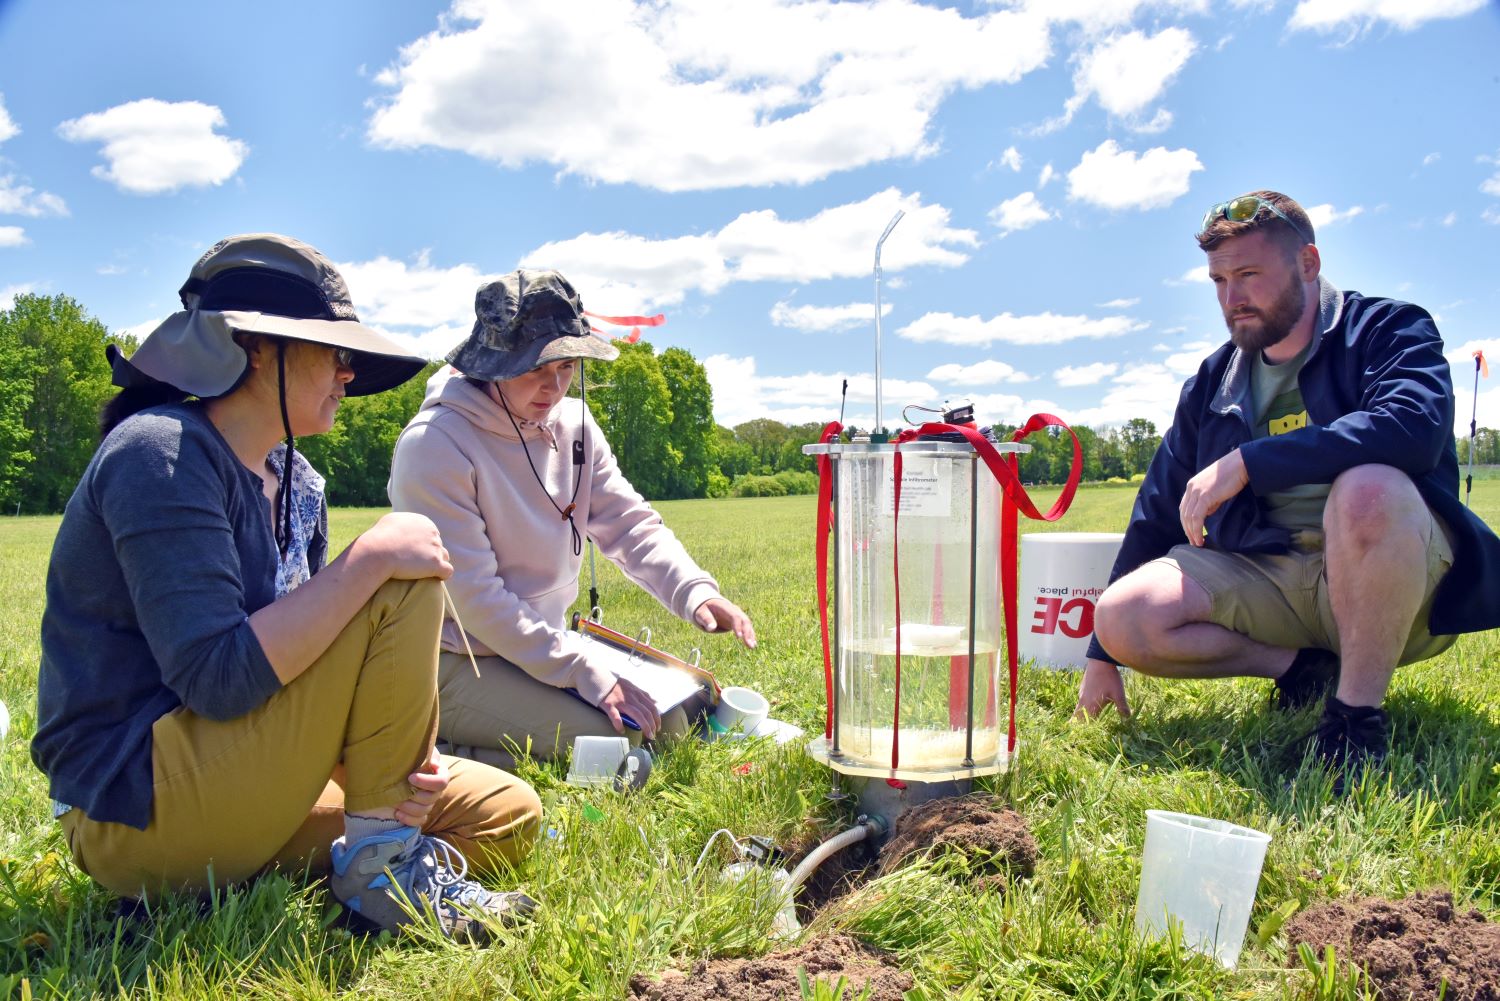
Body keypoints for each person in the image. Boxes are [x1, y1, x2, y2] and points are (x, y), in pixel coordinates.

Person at [31, 234, 542, 941]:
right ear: (256, 347)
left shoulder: (299, 484)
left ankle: (248, 876)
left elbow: (307, 678)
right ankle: (378, 877)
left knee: (507, 810)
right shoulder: (160, 453)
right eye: (334, 351)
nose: (348, 370)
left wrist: (391, 767)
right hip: (134, 801)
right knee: (398, 571)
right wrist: (364, 563)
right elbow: (217, 679)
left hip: (242, 772)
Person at [1073, 191, 1500, 783]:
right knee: (1121, 616)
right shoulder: (1213, 379)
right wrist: (1103, 656)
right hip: (1271, 572)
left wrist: (1251, 461)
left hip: (1389, 575)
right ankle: (1301, 669)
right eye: (1219, 280)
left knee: (1368, 487)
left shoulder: (1388, 328)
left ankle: (1354, 719)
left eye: (1248, 274)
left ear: (1308, 263)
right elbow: (1160, 503)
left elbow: (1412, 429)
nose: (1231, 298)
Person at [388, 268, 756, 770]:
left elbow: (629, 523)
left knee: (673, 720)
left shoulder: (577, 426)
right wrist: (581, 667)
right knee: (620, 741)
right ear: (493, 361)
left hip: (541, 647)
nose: (553, 386)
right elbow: (475, 601)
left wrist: (696, 591)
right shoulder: (434, 445)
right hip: (456, 658)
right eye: (534, 366)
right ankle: (439, 749)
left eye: (565, 367)